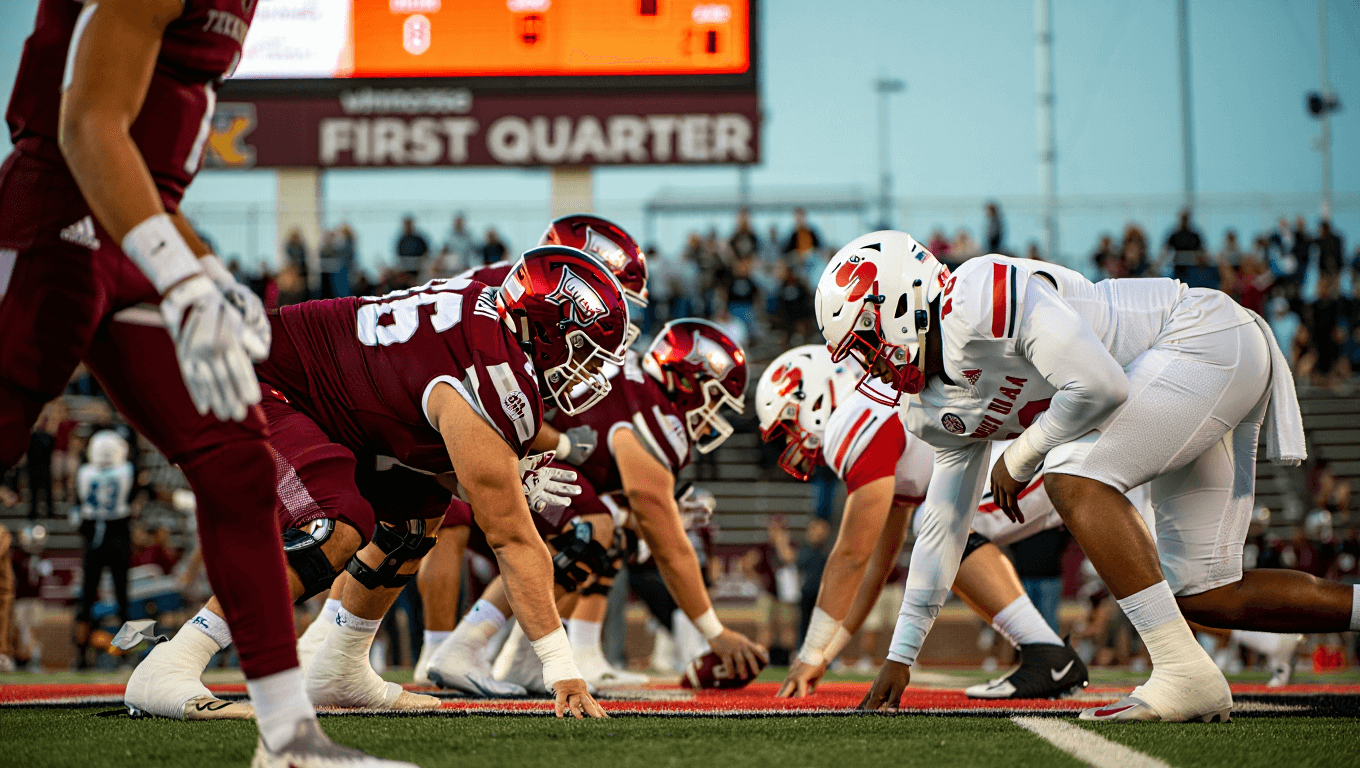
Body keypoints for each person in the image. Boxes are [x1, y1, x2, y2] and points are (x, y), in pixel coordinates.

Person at [0, 1, 376, 762]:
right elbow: (87, 126)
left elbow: (148, 157)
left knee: (239, 464)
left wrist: (200, 265)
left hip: (138, 225)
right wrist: (184, 274)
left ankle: (289, 737)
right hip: (58, 211)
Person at [816, 230, 1360, 723]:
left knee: (1070, 472)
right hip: (1189, 372)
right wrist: (900, 655)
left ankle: (1181, 671)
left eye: (866, 344)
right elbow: (944, 522)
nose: (872, 367)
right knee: (1204, 593)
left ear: (899, 302)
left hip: (1198, 335)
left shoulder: (978, 298)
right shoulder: (928, 406)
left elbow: (1100, 386)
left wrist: (1019, 455)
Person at [123, 246, 624, 724]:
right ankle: (176, 659)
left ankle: (339, 664)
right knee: (335, 524)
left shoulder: (484, 319)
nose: (587, 371)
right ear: (546, 326)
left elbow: (408, 414)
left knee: (416, 508)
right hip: (248, 381)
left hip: (323, 405)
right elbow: (511, 538)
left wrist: (498, 478)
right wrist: (563, 669)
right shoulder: (490, 372)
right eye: (584, 350)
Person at [421, 318, 766, 693]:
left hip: (511, 451)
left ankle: (526, 659)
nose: (713, 415)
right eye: (713, 398)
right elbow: (669, 545)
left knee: (609, 530)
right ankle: (466, 646)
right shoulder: (655, 416)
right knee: (589, 531)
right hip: (505, 454)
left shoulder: (634, 381)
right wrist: (714, 632)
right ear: (685, 382)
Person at [755, 345, 1088, 700]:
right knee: (937, 526)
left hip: (1025, 453)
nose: (794, 442)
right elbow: (874, 570)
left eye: (790, 424)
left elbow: (851, 555)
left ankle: (1046, 652)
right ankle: (1048, 654)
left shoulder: (855, 418)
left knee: (940, 526)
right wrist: (825, 654)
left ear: (816, 397)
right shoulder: (881, 413)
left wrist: (808, 652)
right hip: (1026, 446)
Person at [71, 430, 134, 668]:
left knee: (86, 599)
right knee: (123, 600)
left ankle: (80, 656)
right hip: (117, 534)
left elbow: (78, 505)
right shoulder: (126, 470)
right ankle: (128, 655)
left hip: (93, 537)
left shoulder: (84, 472)